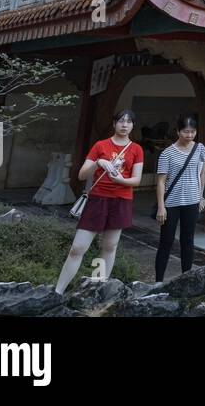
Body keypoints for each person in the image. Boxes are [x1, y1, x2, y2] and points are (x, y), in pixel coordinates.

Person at [55, 110, 144, 295]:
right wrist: (99, 163)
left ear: (133, 125)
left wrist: (119, 180)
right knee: (77, 247)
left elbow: (136, 180)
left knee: (109, 246)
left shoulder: (136, 149)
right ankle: (57, 291)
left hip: (120, 200)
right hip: (97, 199)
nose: (124, 125)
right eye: (120, 121)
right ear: (114, 123)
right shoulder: (100, 145)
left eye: (129, 122)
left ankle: (96, 288)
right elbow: (81, 174)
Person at [154, 115, 205, 284]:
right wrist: (161, 207)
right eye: (186, 132)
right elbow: (161, 181)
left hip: (192, 201)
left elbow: (201, 174)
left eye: (193, 132)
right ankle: (158, 281)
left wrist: (200, 197)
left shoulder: (200, 149)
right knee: (166, 241)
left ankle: (187, 278)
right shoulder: (167, 153)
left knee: (188, 240)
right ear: (178, 131)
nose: (189, 135)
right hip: (171, 203)